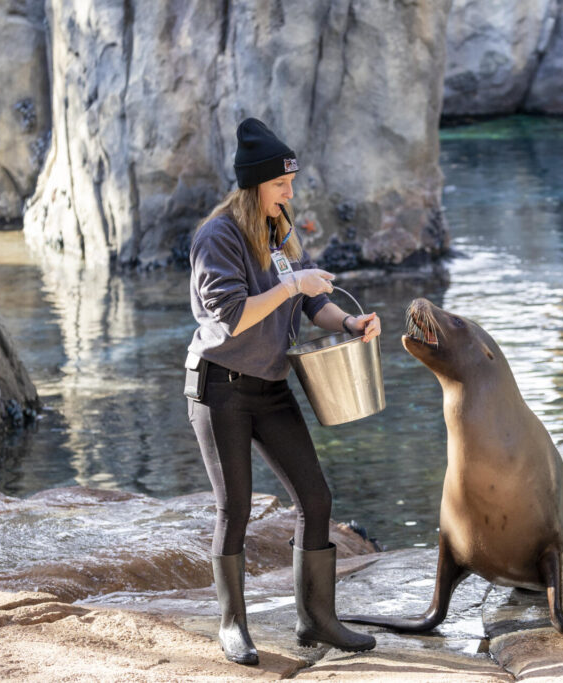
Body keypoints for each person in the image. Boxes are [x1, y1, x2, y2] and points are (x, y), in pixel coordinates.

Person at [185, 118, 380, 664]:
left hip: (270, 386)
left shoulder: (277, 229)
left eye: (291, 184)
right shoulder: (217, 237)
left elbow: (310, 300)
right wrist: (292, 283)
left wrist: (349, 324)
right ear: (254, 186)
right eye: (280, 185)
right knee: (236, 508)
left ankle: (316, 621)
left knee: (315, 498)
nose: (289, 194)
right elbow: (232, 315)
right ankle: (232, 627)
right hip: (219, 388)